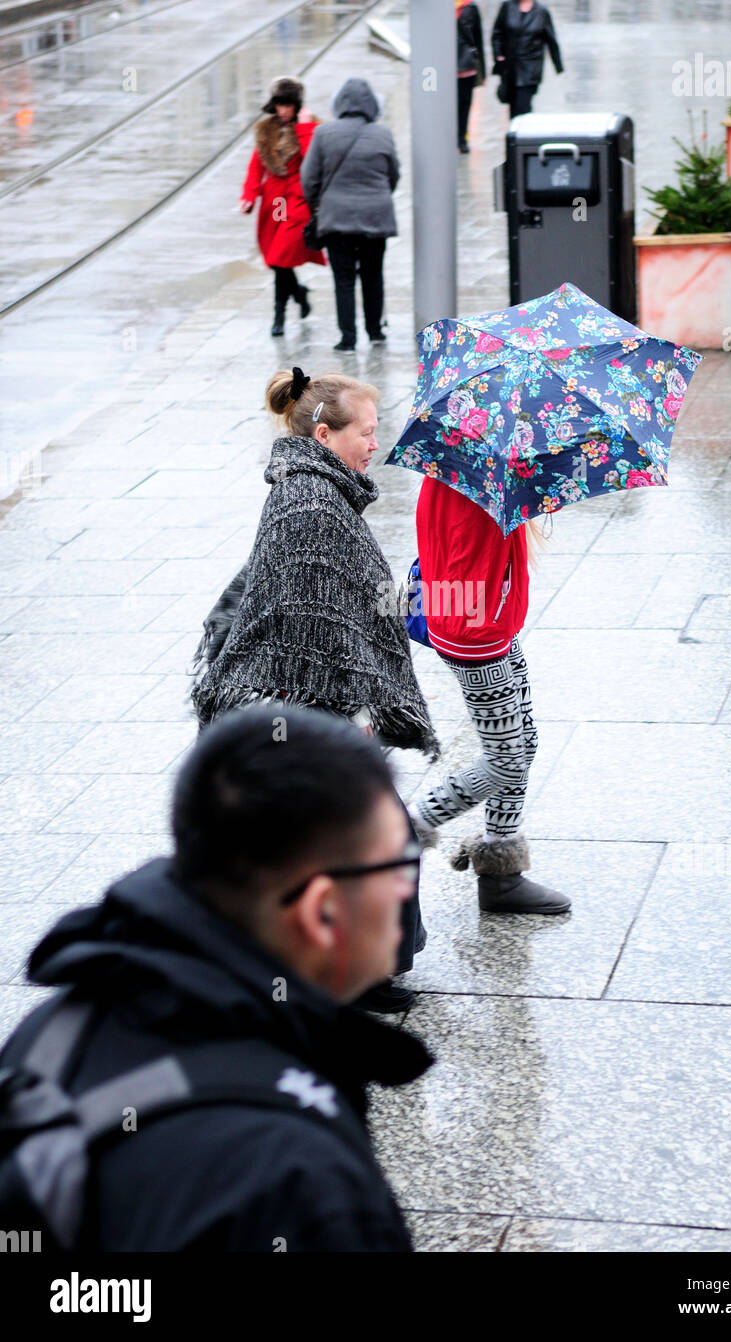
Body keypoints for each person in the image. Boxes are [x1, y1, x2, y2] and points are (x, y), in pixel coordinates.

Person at [0, 706, 433, 1251]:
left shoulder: (50, 1033)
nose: (405, 891)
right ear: (321, 910)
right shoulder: (301, 1188)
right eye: (401, 863)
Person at [191, 367, 438, 1012]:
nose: (373, 445)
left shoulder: (317, 492)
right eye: (366, 432)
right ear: (325, 434)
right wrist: (344, 714)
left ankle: (356, 968)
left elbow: (337, 602)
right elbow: (304, 624)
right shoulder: (311, 505)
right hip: (310, 712)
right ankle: (348, 976)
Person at [407, 477, 571, 916]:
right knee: (506, 760)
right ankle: (402, 828)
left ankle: (501, 871)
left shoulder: (463, 465)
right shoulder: (481, 475)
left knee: (524, 742)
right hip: (475, 632)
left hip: (488, 621)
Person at [300, 79, 399, 352]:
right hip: (375, 218)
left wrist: (320, 204)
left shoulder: (323, 133)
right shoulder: (382, 134)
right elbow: (393, 175)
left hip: (336, 220)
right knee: (373, 275)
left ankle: (348, 337)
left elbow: (308, 179)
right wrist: (376, 197)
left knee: (343, 279)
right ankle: (375, 331)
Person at [240, 76, 326, 338]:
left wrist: (305, 127)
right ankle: (299, 293)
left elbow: (314, 160)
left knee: (280, 257)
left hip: (298, 201)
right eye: (279, 104)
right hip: (274, 202)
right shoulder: (266, 129)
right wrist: (249, 194)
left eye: (288, 105)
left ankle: (278, 316)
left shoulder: (312, 127)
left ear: (297, 105)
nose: (283, 110)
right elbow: (256, 165)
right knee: (276, 260)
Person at [492, 0, 563, 119]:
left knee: (523, 106)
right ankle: (513, 139)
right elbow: (497, 33)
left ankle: (522, 138)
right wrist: (498, 55)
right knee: (512, 107)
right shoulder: (508, 7)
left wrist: (558, 65)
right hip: (510, 67)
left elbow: (551, 40)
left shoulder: (541, 12)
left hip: (530, 68)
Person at [455, 0, 486, 153]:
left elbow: (478, 39)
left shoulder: (469, 6)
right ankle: (451, 136)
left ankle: (462, 137)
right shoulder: (437, 4)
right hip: (443, 66)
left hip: (466, 64)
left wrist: (482, 70)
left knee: (465, 102)